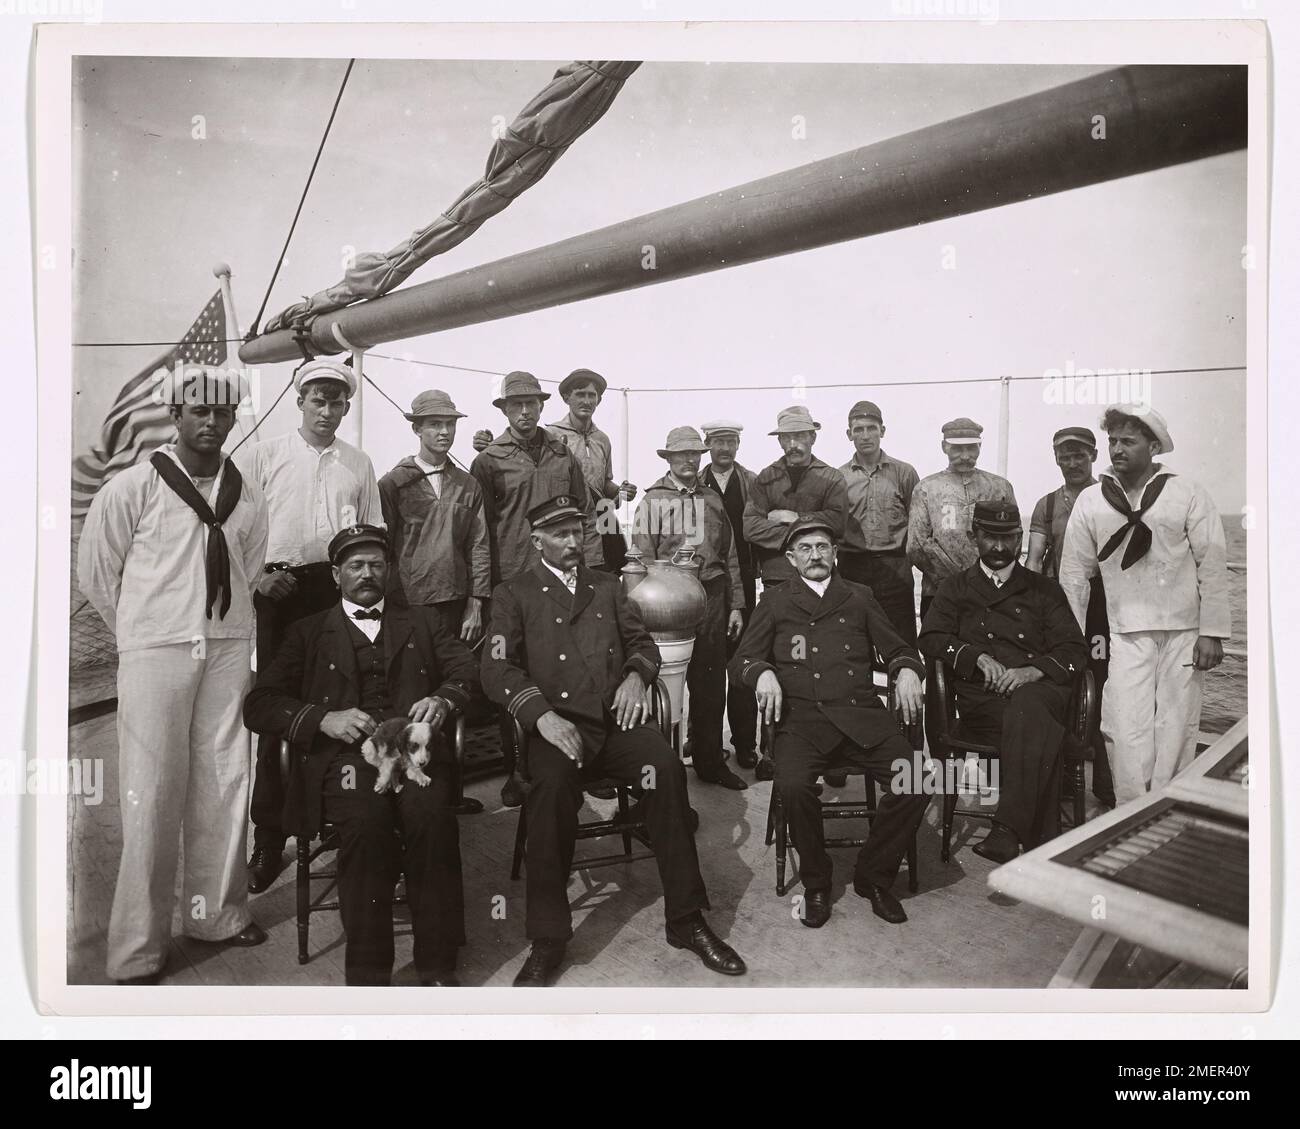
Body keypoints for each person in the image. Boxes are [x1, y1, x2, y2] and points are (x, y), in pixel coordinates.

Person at [481, 495, 748, 986]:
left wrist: (635, 676)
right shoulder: (512, 594)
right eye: (559, 534)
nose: (572, 541)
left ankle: (686, 920)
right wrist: (540, 717)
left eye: (578, 532)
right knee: (550, 792)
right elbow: (496, 667)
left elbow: (642, 643)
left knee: (665, 769)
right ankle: (549, 937)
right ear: (535, 539)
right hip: (556, 730)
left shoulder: (605, 587)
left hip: (614, 726)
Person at [78, 365, 269, 983]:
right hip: (156, 651)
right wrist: (144, 630)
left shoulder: (247, 492)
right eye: (199, 412)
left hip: (226, 647)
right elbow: (98, 575)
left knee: (224, 783)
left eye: (223, 412)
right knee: (151, 794)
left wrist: (221, 629)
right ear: (177, 416)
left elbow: (250, 562)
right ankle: (138, 948)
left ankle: (216, 914)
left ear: (235, 416)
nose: (211, 422)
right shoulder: (131, 487)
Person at [243, 525, 477, 986]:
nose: (366, 574)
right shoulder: (306, 632)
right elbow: (260, 703)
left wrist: (446, 698)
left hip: (413, 758)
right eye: (355, 566)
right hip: (343, 763)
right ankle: (369, 975)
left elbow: (468, 668)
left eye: (375, 565)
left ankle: (437, 964)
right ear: (336, 575)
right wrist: (320, 719)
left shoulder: (423, 622)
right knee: (367, 824)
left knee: (431, 816)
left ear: (388, 571)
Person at [729, 520, 928, 928]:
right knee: (793, 786)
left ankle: (872, 878)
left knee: (918, 780)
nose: (815, 555)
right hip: (802, 721)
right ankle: (817, 882)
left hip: (861, 716)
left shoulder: (859, 595)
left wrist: (907, 669)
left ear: (836, 552)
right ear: (791, 558)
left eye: (822, 546)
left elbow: (899, 647)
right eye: (805, 548)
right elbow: (741, 660)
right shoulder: (776, 600)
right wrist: (762, 671)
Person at [240, 356, 383, 894]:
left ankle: (347, 817)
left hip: (337, 588)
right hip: (282, 591)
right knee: (279, 709)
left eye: (337, 401)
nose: (327, 410)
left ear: (347, 406)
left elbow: (372, 533)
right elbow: (236, 529)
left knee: (346, 699)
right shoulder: (264, 455)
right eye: (317, 400)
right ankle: (270, 838)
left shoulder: (358, 462)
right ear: (300, 401)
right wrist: (257, 579)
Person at [1058, 404, 1230, 804]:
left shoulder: (1187, 492)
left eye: (1128, 441)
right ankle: (1131, 811)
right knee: (1122, 725)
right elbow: (1073, 575)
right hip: (1124, 631)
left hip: (1184, 632)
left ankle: (1170, 811)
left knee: (1176, 727)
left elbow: (1213, 564)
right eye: (1113, 440)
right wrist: (1075, 641)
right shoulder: (1091, 500)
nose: (1117, 449)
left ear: (1153, 446)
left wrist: (1213, 632)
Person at [918, 502, 1089, 862]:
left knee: (1029, 706)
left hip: (1039, 690)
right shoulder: (956, 587)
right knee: (1040, 727)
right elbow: (931, 638)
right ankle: (1041, 844)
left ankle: (1008, 828)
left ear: (1020, 539)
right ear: (974, 537)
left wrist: (1032, 671)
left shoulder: (1044, 590)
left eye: (1007, 538)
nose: (999, 547)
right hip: (985, 699)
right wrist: (975, 656)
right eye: (990, 538)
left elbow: (1074, 648)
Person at [470, 370, 591, 808]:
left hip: (564, 582)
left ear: (542, 407)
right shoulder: (488, 461)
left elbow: (585, 519)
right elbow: (478, 531)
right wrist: (482, 594)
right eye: (515, 405)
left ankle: (578, 759)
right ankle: (517, 770)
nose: (525, 412)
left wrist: (589, 577)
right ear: (504, 410)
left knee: (570, 670)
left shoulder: (563, 455)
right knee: (514, 676)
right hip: (514, 586)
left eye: (532, 404)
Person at [632, 426, 747, 790]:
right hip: (667, 601)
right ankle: (661, 770)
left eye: (696, 454)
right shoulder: (652, 501)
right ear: (668, 459)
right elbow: (640, 557)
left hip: (711, 596)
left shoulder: (712, 499)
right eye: (682, 455)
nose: (690, 460)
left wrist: (736, 606)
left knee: (710, 681)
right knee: (662, 685)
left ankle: (710, 761)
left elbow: (730, 558)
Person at [1025, 426, 1114, 807]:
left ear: (1094, 455)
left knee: (1105, 688)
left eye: (1080, 454)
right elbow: (1033, 560)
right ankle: (1059, 781)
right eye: (1065, 455)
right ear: (1056, 457)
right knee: (1061, 688)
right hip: (1060, 608)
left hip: (1104, 610)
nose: (1072, 462)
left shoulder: (1112, 498)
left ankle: (1109, 786)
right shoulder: (1047, 506)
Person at [379, 389, 490, 643]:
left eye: (450, 424)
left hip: (456, 602)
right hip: (407, 601)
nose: (444, 431)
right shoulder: (393, 483)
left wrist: (475, 605)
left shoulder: (468, 485)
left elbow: (479, 547)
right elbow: (382, 550)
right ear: (417, 429)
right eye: (435, 424)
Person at [907, 417, 1016, 622]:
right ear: (944, 447)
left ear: (979, 447)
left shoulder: (1000, 487)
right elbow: (916, 546)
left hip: (992, 593)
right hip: (939, 592)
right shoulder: (926, 488)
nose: (965, 456)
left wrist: (987, 579)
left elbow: (1013, 538)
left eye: (971, 448)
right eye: (957, 449)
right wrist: (953, 582)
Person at [699, 419, 760, 770]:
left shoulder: (751, 482)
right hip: (704, 583)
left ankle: (745, 743)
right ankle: (701, 736)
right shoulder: (696, 481)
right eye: (718, 442)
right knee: (704, 665)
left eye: (731, 442)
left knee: (741, 663)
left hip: (743, 581)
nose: (724, 448)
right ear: (707, 444)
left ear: (738, 445)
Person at [835, 399, 921, 644]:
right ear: (849, 434)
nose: (865, 435)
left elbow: (917, 522)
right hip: (852, 567)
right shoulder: (838, 477)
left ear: (882, 431)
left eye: (871, 428)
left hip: (894, 566)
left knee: (900, 638)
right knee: (853, 639)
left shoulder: (904, 473)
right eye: (858, 429)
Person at [742, 404, 849, 590]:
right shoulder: (766, 478)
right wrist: (807, 533)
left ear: (812, 437)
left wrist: (795, 518)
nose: (793, 444)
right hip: (776, 577)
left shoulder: (831, 478)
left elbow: (838, 522)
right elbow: (751, 527)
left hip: (819, 575)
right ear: (780, 441)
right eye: (786, 437)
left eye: (799, 435)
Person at [546, 368, 638, 570]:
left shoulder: (602, 439)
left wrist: (621, 491)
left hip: (600, 524)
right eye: (580, 394)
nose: (586, 401)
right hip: (565, 524)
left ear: (599, 400)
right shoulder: (550, 435)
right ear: (566, 398)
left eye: (591, 395)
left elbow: (603, 483)